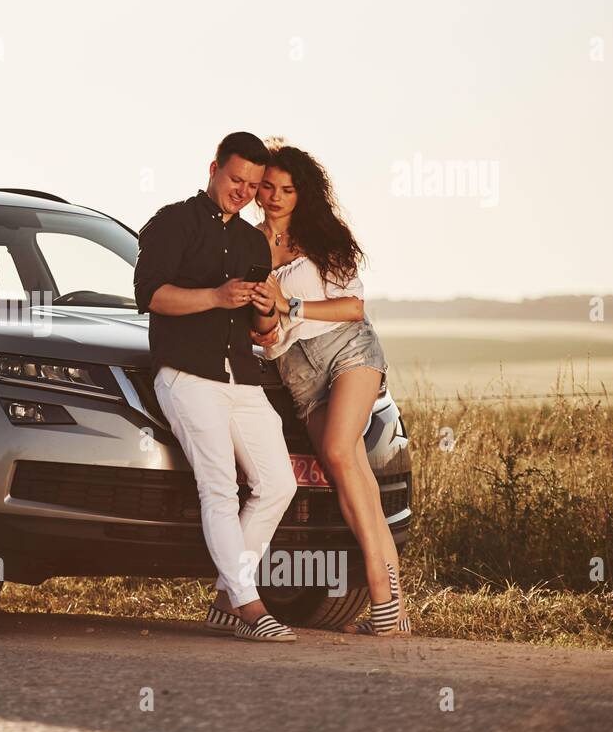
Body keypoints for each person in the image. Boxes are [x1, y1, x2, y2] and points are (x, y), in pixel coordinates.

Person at [134, 131, 299, 642]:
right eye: (236, 179)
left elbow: (259, 331)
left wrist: (268, 311)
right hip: (185, 373)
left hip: (241, 375)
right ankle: (248, 605)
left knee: (279, 483)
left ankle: (229, 595)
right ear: (213, 169)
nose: (244, 192)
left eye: (253, 184)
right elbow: (152, 297)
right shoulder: (171, 223)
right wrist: (216, 296)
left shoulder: (254, 242)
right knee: (220, 488)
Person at [250, 141, 410, 635]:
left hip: (348, 352)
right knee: (348, 474)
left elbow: (351, 308)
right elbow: (264, 334)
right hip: (296, 373)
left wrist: (289, 306)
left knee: (341, 451)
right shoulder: (247, 244)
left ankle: (383, 601)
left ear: (303, 193)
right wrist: (266, 320)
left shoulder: (323, 236)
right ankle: (393, 611)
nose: (276, 196)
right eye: (269, 187)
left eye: (287, 189)